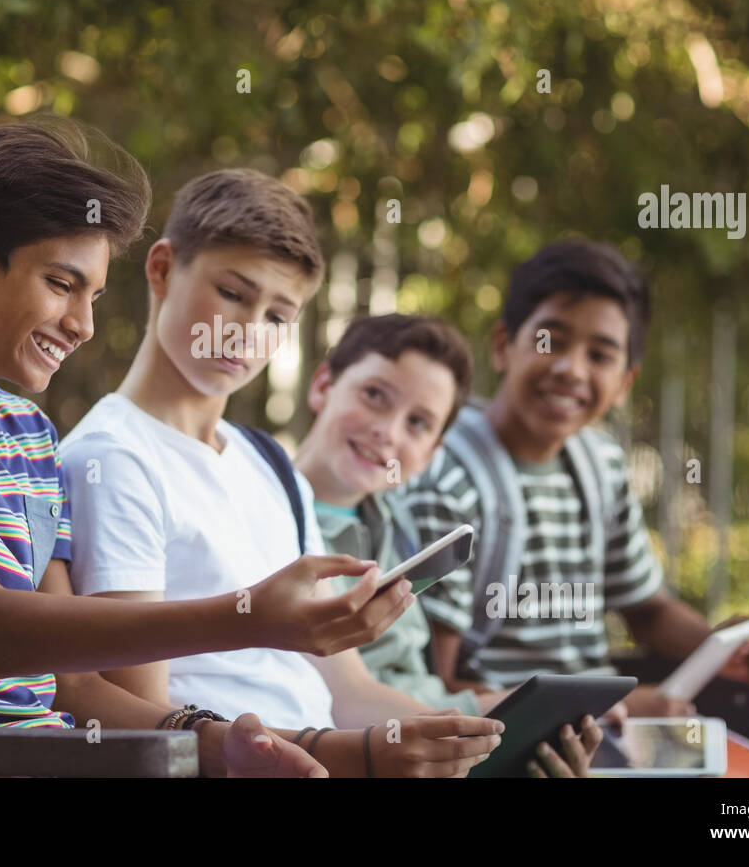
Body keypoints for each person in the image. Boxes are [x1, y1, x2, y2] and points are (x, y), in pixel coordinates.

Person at [0, 117, 404, 777]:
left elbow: (76, 687)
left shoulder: (27, 435)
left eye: (91, 295)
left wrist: (221, 744)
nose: (83, 325)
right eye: (62, 285)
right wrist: (251, 619)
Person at [61, 169, 504, 777]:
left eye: (277, 316)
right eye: (233, 294)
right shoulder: (113, 459)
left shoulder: (270, 464)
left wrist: (480, 744)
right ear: (162, 269)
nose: (246, 331)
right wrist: (360, 756)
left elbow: (347, 690)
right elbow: (146, 717)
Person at [398, 240, 749, 716]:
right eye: (551, 341)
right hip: (500, 740)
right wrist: (627, 706)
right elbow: (436, 689)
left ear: (625, 383)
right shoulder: (447, 477)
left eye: (600, 355)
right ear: (503, 346)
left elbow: (647, 610)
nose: (570, 369)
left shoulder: (600, 463)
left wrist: (721, 648)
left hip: (599, 734)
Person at [292, 312, 607, 777]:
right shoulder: (275, 517)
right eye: (374, 395)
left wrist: (506, 710)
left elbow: (420, 683)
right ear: (323, 384)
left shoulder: (397, 526)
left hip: (430, 728)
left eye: (418, 423)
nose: (389, 431)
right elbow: (348, 695)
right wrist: (478, 728)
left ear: (431, 454)